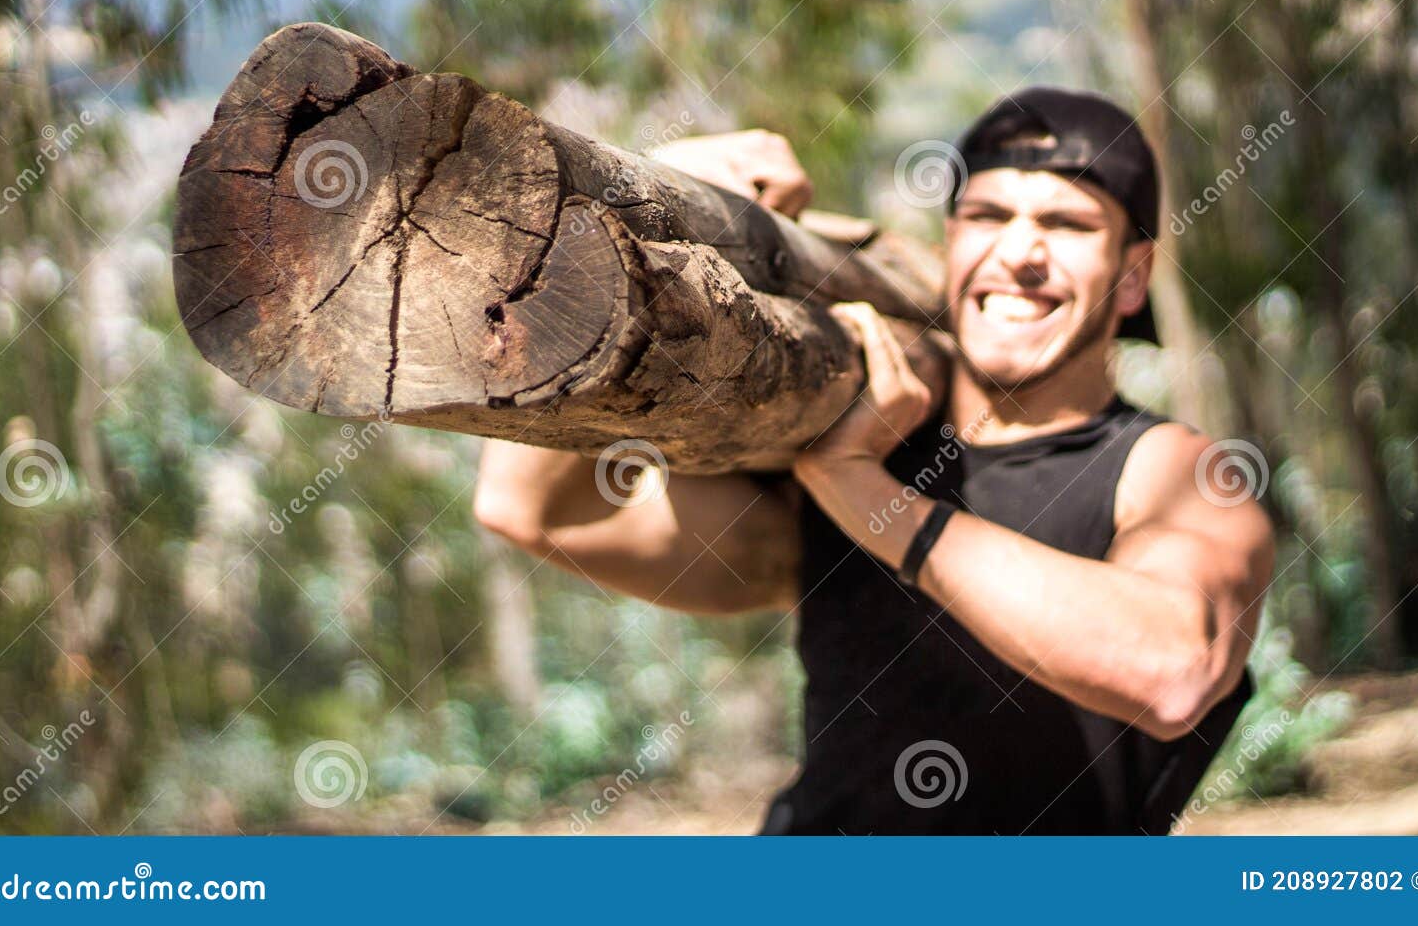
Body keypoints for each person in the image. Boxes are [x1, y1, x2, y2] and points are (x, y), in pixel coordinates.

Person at [474, 89, 1275, 834]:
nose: (1020, 251)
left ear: (1133, 277)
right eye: (988, 215)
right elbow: (530, 509)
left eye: (1066, 224)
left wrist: (869, 497)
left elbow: (1175, 668)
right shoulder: (841, 441)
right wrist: (646, 205)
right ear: (950, 245)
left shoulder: (1171, 472)